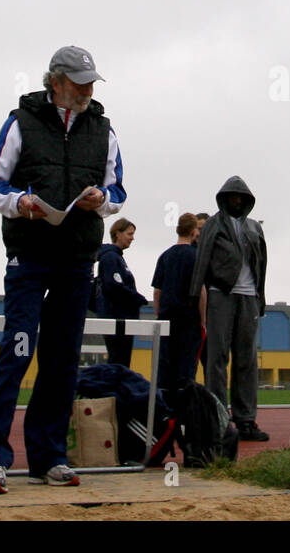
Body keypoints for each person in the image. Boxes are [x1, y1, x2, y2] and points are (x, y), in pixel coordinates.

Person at [0, 46, 125, 493]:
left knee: (61, 362)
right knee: (16, 353)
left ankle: (49, 455)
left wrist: (104, 202)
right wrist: (19, 202)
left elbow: (118, 191)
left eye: (91, 81)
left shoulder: (104, 129)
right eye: (78, 81)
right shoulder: (21, 122)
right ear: (55, 80)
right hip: (29, 256)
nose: (86, 89)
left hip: (78, 259)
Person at [190, 176, 268, 442]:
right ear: (224, 199)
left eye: (241, 197)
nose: (237, 201)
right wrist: (195, 297)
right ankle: (219, 418)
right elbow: (201, 261)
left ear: (247, 200)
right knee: (217, 358)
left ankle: (246, 419)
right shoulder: (213, 224)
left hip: (248, 297)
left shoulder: (254, 228)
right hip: (220, 295)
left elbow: (262, 266)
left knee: (247, 359)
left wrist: (261, 298)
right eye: (232, 196)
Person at [152, 212, 204, 391]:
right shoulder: (196, 257)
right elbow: (201, 292)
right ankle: (183, 412)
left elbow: (157, 292)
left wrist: (159, 314)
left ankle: (163, 410)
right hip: (189, 320)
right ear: (192, 231)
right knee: (186, 369)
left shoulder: (165, 256)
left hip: (167, 319)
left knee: (165, 368)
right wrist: (203, 320)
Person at [96, 218, 146, 367]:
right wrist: (137, 298)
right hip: (117, 319)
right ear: (117, 234)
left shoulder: (117, 258)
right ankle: (111, 389)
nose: (132, 238)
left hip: (121, 319)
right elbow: (114, 287)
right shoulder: (111, 258)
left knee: (121, 361)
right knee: (118, 361)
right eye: (129, 234)